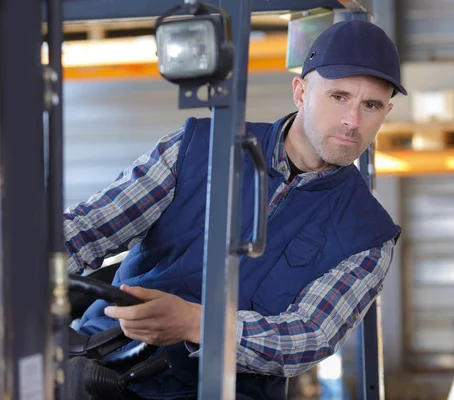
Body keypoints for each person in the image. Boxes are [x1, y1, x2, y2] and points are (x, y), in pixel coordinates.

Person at [65, 19, 406, 400]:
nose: (352, 121)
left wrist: (197, 324)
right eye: (339, 96)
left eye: (371, 105)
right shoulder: (199, 148)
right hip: (104, 360)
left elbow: (311, 336)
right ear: (301, 91)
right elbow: (89, 228)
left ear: (386, 112)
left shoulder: (370, 236)